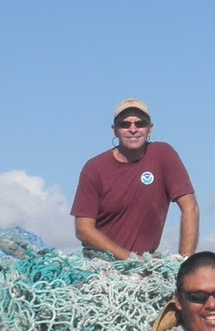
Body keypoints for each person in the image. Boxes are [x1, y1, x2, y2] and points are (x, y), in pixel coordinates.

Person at [71, 98, 199, 260]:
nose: (133, 129)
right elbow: (83, 229)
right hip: (101, 262)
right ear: (115, 130)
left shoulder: (163, 155)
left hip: (148, 261)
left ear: (149, 129)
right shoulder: (94, 168)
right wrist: (130, 259)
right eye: (125, 124)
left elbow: (190, 207)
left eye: (140, 123)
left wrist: (186, 261)